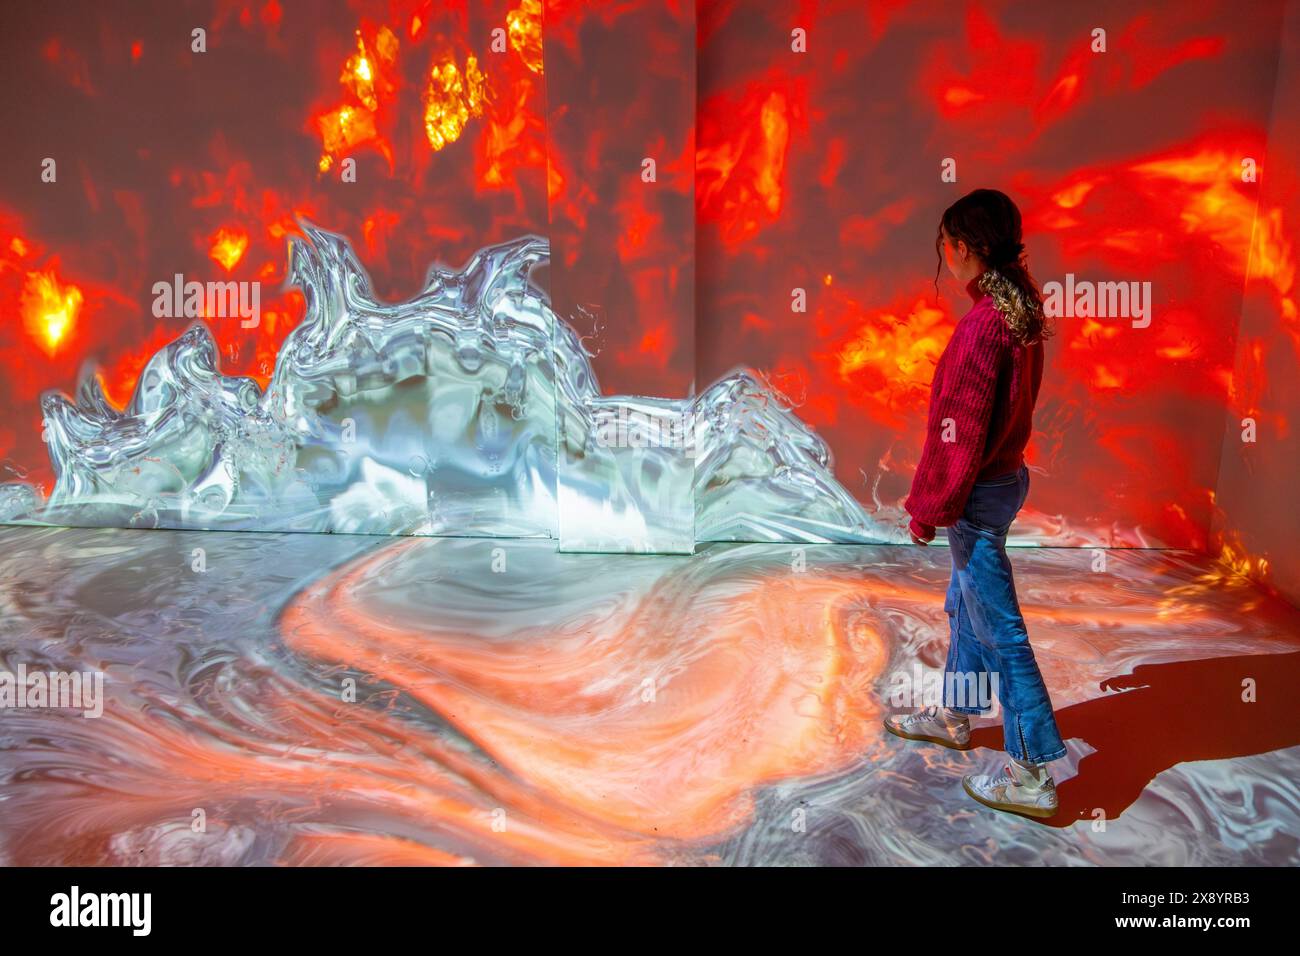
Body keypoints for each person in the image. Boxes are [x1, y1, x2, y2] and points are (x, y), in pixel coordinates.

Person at [884, 188, 1065, 820]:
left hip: (977, 496)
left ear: (963, 249)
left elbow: (955, 434)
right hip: (1004, 483)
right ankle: (958, 715)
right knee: (966, 605)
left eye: (945, 244)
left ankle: (1030, 771)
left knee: (1000, 629)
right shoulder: (1017, 310)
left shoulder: (983, 327)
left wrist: (927, 508)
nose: (943, 254)